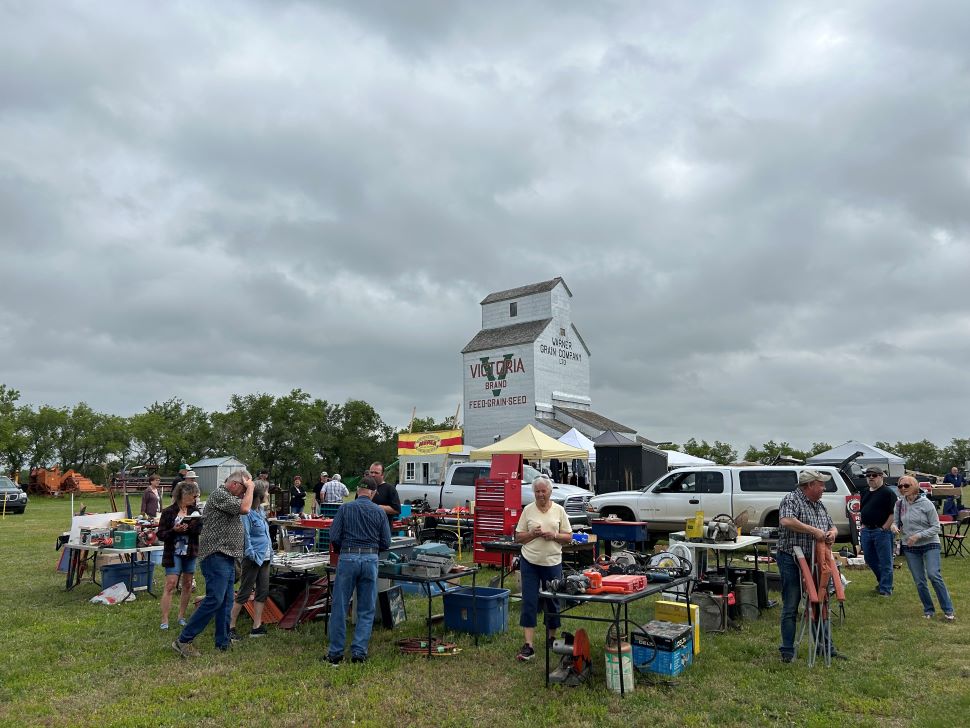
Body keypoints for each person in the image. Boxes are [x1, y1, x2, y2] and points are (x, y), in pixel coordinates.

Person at [172, 470, 254, 657]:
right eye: (243, 489)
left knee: (226, 601)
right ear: (234, 484)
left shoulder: (229, 496)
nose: (243, 494)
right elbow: (245, 508)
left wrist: (247, 488)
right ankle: (183, 640)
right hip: (216, 555)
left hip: (227, 555)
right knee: (215, 599)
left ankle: (223, 642)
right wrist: (250, 488)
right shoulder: (220, 495)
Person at [324, 475, 391, 665]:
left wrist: (343, 549)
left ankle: (335, 653)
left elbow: (334, 536)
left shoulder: (345, 509)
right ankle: (359, 653)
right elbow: (386, 542)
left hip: (347, 557)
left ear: (357, 491)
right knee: (366, 608)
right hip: (370, 559)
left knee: (340, 605)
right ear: (373, 493)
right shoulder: (379, 512)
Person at [777, 469, 840, 663]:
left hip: (815, 560)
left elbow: (831, 525)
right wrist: (814, 531)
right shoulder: (792, 499)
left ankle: (825, 646)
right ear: (810, 485)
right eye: (821, 484)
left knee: (818, 601)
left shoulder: (819, 505)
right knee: (791, 603)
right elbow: (786, 520)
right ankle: (787, 650)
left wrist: (833, 533)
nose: (824, 488)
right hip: (792, 558)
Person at [513, 476, 572, 662]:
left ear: (550, 492)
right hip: (529, 561)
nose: (540, 494)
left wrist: (554, 535)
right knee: (529, 601)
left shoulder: (559, 510)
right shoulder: (528, 510)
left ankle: (551, 638)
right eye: (537, 491)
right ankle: (529, 645)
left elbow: (569, 537)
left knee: (553, 601)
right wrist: (532, 534)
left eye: (543, 491)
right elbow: (518, 537)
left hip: (552, 562)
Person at [892, 475, 956, 621]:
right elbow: (895, 522)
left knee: (933, 575)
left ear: (915, 486)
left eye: (906, 485)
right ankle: (929, 610)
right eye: (900, 486)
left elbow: (936, 527)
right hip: (910, 547)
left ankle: (948, 610)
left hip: (930, 544)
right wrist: (894, 527)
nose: (903, 488)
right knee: (919, 581)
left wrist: (918, 535)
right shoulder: (899, 504)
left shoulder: (926, 504)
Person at [229, 479, 273, 639]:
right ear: (260, 495)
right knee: (245, 592)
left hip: (265, 558)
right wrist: (251, 554)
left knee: (263, 591)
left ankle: (257, 626)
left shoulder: (260, 512)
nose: (268, 494)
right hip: (253, 558)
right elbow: (245, 536)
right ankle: (230, 626)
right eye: (266, 492)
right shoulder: (247, 514)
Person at [157, 481, 202, 631]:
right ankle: (164, 619)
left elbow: (199, 530)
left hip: (190, 551)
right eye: (192, 495)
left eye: (196, 495)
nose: (195, 498)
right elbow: (161, 535)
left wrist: (188, 528)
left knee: (188, 584)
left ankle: (181, 616)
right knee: (170, 584)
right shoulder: (168, 512)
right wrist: (174, 530)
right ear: (182, 495)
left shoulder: (195, 511)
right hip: (173, 552)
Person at [859, 465, 897, 597]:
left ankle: (886, 589)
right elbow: (862, 509)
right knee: (869, 558)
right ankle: (883, 582)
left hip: (881, 531)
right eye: (868, 476)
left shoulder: (888, 493)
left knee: (885, 561)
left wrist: (884, 527)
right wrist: (863, 525)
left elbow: (893, 513)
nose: (870, 478)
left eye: (874, 475)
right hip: (866, 530)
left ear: (881, 476)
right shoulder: (864, 492)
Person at [368, 462, 400, 528]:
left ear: (382, 475)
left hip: (383, 530)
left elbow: (396, 509)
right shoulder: (364, 488)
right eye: (371, 472)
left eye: (376, 473)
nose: (373, 475)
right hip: (366, 529)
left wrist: (375, 507)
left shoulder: (390, 489)